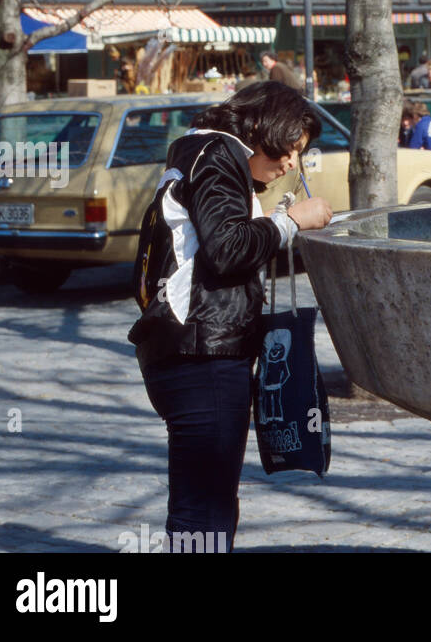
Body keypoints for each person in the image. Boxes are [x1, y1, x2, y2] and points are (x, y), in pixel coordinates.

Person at [128, 81, 332, 552]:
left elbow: (212, 247)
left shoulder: (195, 152)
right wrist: (290, 221)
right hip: (204, 355)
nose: (289, 164)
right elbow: (228, 248)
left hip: (182, 352)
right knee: (206, 508)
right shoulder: (219, 155)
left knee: (202, 502)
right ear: (262, 126)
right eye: (288, 149)